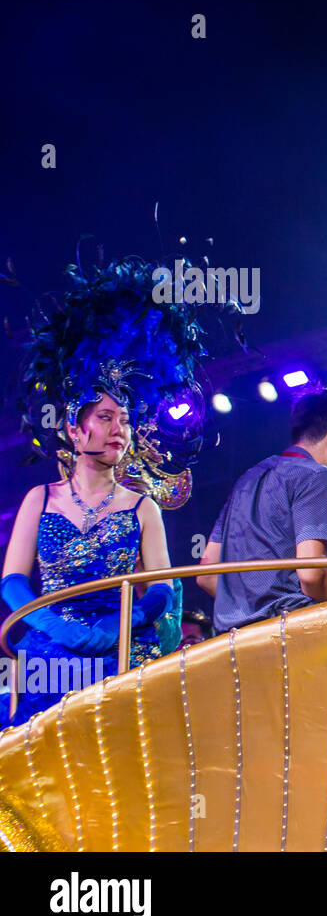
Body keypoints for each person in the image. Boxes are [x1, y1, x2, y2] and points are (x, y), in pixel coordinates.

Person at [0, 254, 222, 726]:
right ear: (76, 432)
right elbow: (13, 580)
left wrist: (115, 626)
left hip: (123, 648)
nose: (119, 429)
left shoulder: (143, 507)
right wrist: (53, 624)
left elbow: (163, 585)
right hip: (51, 653)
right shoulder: (38, 500)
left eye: (124, 419)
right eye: (105, 418)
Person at [197, 386, 327, 632]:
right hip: (288, 634)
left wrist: (245, 613)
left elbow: (207, 573)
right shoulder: (317, 476)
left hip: (229, 639)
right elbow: (312, 575)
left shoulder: (247, 479)